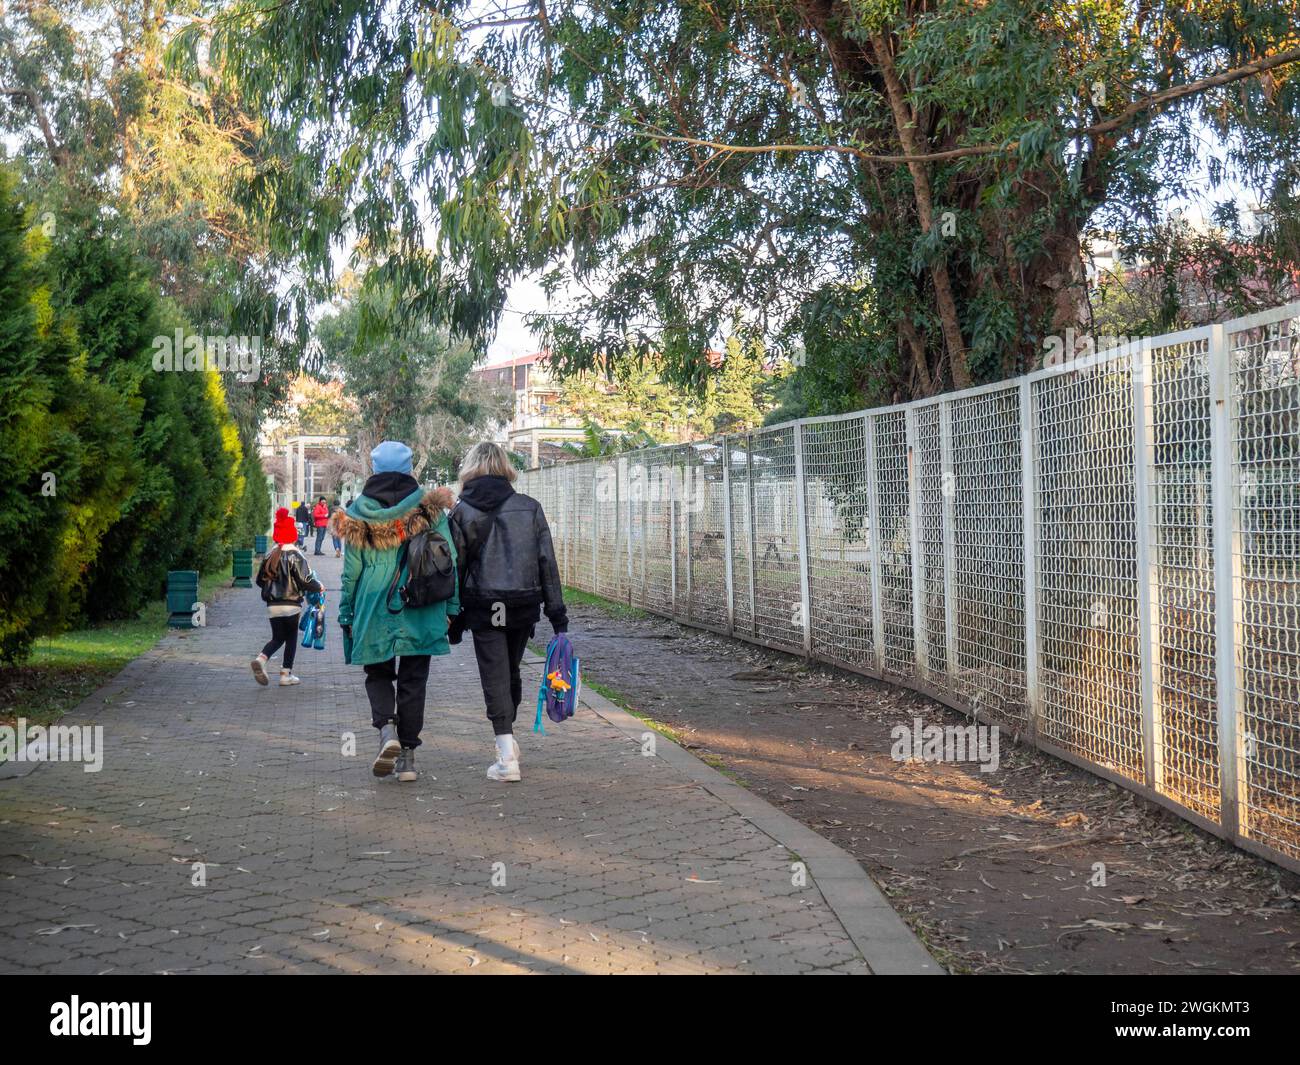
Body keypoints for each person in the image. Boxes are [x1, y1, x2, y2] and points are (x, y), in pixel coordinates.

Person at [335, 441, 459, 782]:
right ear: (409, 469)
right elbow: (451, 560)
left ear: (374, 469)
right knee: (414, 680)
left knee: (377, 674)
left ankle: (386, 730)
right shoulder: (429, 508)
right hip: (422, 602)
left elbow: (351, 572)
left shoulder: (358, 511)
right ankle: (407, 758)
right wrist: (451, 606)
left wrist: (346, 613)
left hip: (372, 604)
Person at [449, 441, 567, 782]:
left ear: (471, 468)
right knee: (510, 671)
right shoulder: (529, 508)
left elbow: (455, 567)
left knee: (494, 675)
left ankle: (505, 755)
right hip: (522, 604)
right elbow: (548, 563)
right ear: (505, 467)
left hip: (484, 604)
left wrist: (453, 616)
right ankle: (508, 740)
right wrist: (557, 614)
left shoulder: (462, 511)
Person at [252, 507, 323, 687]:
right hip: (292, 604)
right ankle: (285, 674)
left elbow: (260, 580)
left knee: (277, 637)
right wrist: (319, 586)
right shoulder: (296, 555)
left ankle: (262, 659)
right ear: (292, 534)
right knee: (291, 638)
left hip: (272, 605)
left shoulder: (270, 555)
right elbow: (306, 579)